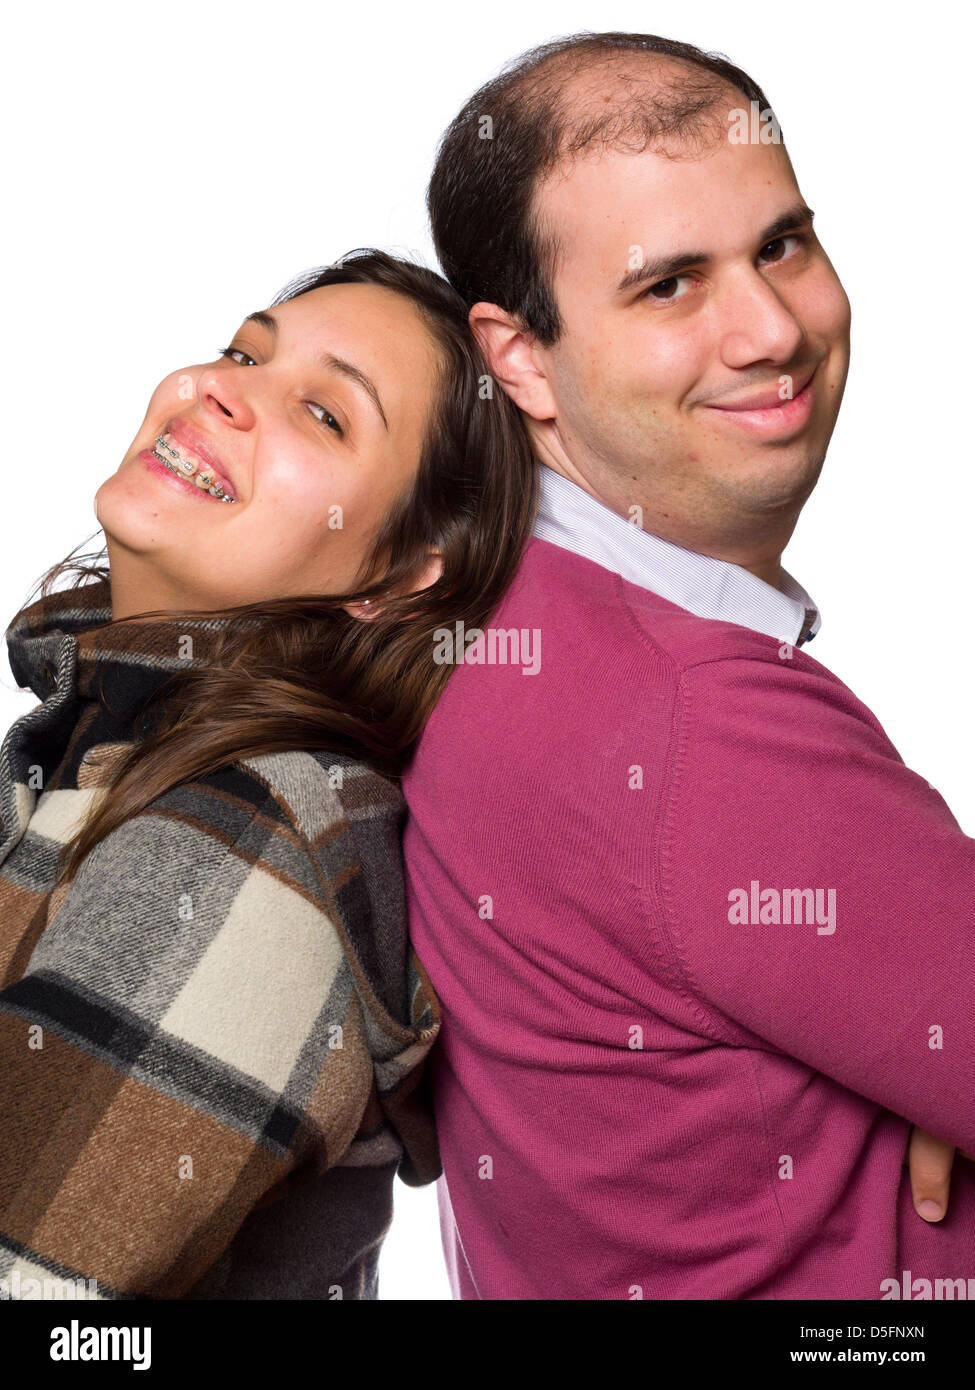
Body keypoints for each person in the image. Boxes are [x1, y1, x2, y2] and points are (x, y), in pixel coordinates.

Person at [402, 32, 975, 1299]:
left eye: (782, 244)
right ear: (521, 359)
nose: (771, 329)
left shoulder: (499, 608)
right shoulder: (692, 720)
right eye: (668, 286)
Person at [0, 249, 537, 1299]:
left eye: (326, 415)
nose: (223, 389)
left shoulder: (248, 828)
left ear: (400, 570)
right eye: (242, 350)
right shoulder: (88, 748)